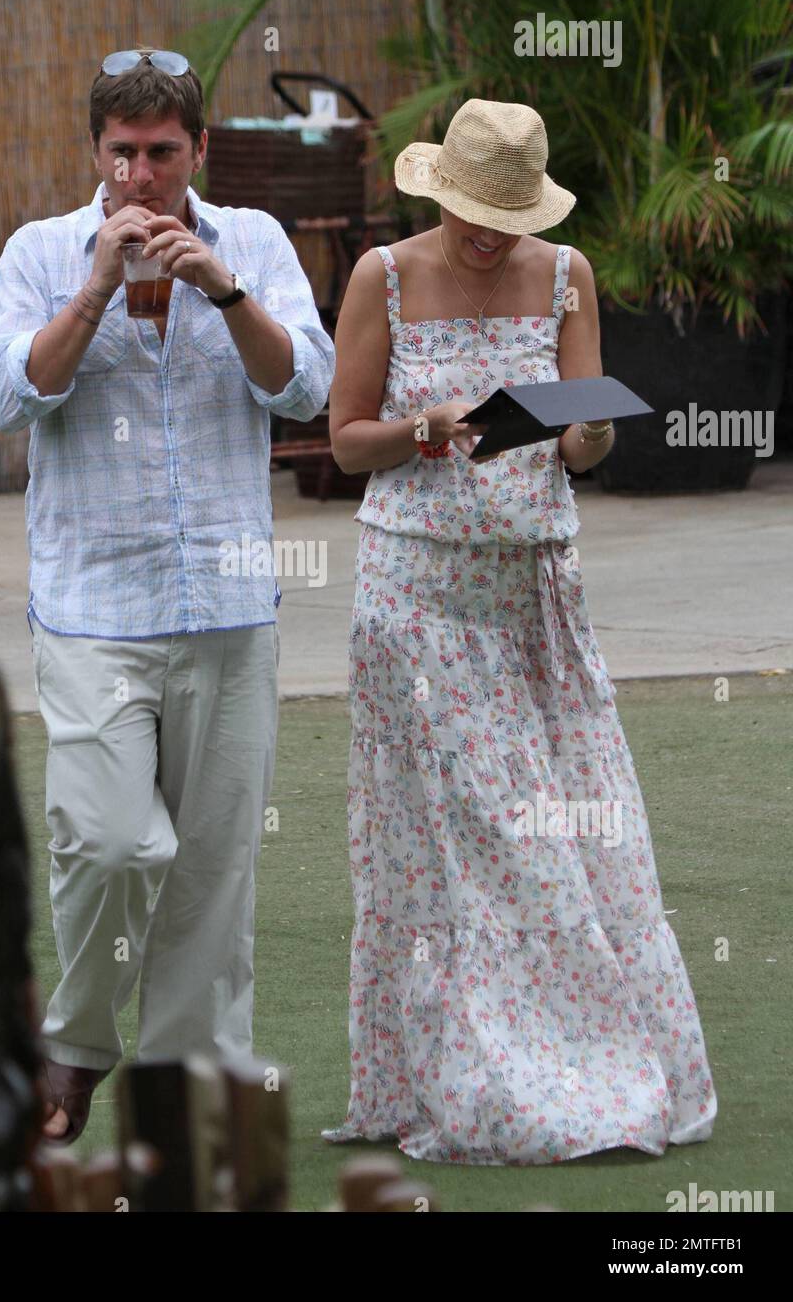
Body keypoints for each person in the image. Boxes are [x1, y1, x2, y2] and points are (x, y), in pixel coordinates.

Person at [323, 98, 716, 1165]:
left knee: (577, 831)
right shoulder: (384, 276)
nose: (486, 232)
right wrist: (421, 428)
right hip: (418, 596)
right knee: (475, 844)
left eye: (506, 214)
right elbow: (344, 443)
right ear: (436, 189)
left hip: (537, 590)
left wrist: (586, 432)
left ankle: (600, 1061)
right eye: (469, 210)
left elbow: (578, 446)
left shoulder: (567, 274)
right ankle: (480, 1079)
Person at [0, 47, 333, 1143]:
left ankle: (187, 1092)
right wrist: (95, 287)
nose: (139, 175)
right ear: (95, 153)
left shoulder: (255, 244)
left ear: (196, 153)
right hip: (95, 609)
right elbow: (3, 396)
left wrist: (219, 289)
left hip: (227, 609)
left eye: (160, 152)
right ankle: (77, 1042)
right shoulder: (41, 253)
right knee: (115, 842)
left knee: (213, 870)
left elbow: (306, 386)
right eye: (121, 152)